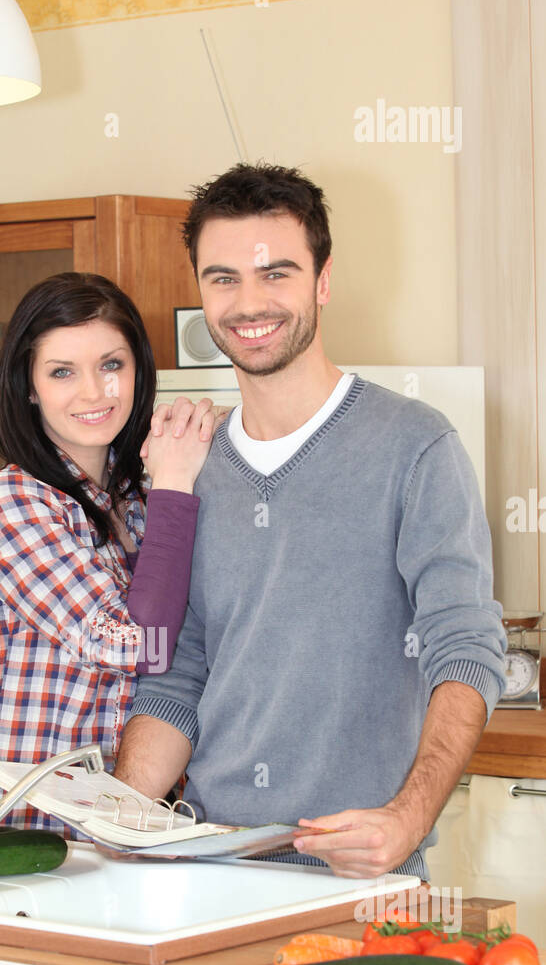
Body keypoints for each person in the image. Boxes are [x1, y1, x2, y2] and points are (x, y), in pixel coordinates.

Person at [114, 162, 507, 881]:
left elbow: (466, 649)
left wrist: (407, 819)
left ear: (323, 283)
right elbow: (179, 676)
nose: (248, 301)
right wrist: (120, 816)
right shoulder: (192, 469)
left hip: (362, 874)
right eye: (223, 277)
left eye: (277, 273)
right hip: (211, 866)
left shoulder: (415, 446)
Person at [0, 271, 216, 835]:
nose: (94, 393)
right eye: (62, 372)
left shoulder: (142, 500)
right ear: (29, 387)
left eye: (111, 365)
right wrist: (175, 482)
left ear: (138, 370)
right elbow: (139, 646)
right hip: (29, 837)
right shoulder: (11, 501)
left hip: (134, 828)